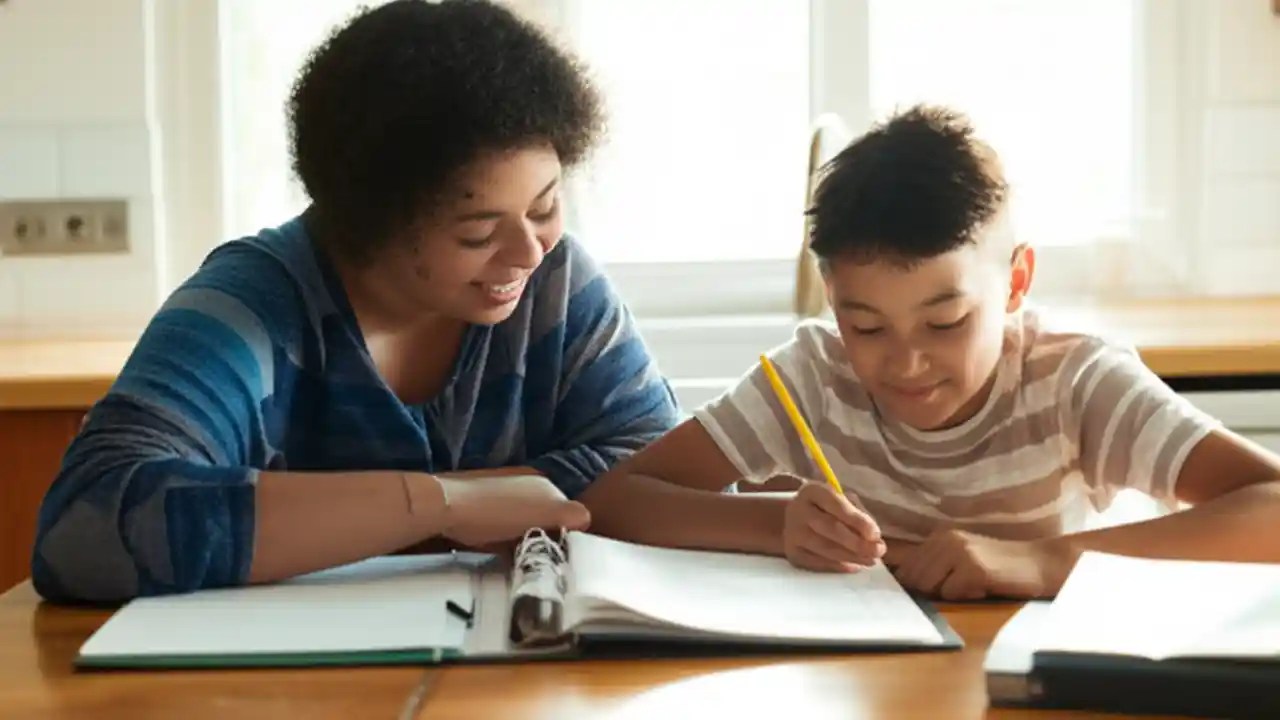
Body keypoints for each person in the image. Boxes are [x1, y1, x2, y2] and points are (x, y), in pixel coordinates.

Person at [32, 0, 679, 604]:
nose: (528, 252)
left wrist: (463, 507)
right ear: (371, 220)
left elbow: (660, 466)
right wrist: (443, 505)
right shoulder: (251, 308)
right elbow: (85, 526)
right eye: (477, 234)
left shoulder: (555, 285)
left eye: (545, 207)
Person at [580, 105, 1280, 600]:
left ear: (1015, 283)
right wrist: (775, 522)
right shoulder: (813, 377)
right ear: (831, 298)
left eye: (945, 323)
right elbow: (613, 501)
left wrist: (1044, 561)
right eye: (867, 326)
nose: (905, 365)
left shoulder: (1074, 382)